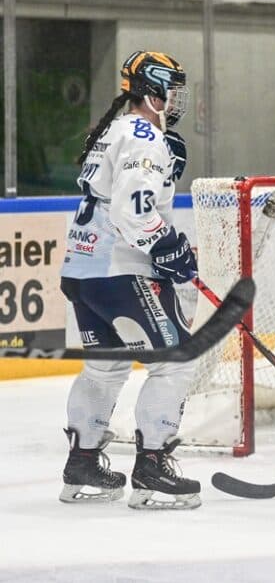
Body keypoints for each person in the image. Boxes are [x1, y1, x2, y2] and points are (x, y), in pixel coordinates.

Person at [59, 50, 201, 509]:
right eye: (173, 89)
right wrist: (168, 246)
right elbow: (132, 210)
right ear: (153, 90)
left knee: (105, 369)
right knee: (176, 361)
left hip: (82, 269)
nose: (177, 98)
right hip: (119, 269)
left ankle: (83, 463)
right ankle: (153, 466)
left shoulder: (111, 131)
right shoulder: (145, 137)